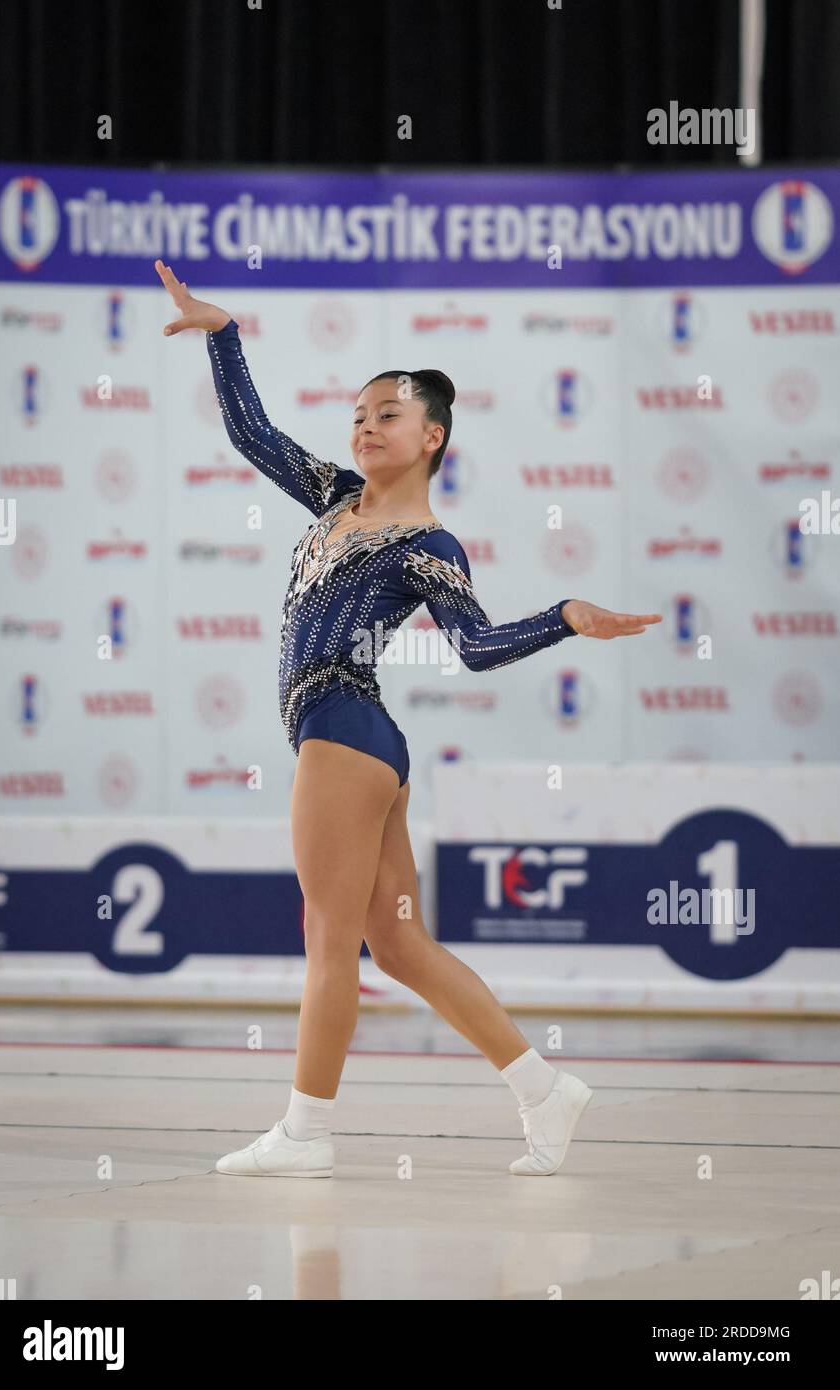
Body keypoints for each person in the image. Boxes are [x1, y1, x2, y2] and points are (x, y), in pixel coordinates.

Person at [155, 259, 661, 1178]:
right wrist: (222, 336)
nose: (364, 426)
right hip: (366, 743)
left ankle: (305, 1134)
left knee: (328, 937)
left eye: (386, 414)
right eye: (357, 414)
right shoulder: (332, 499)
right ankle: (543, 1090)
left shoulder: (428, 545)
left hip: (342, 731)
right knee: (395, 941)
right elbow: (253, 432)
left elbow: (471, 646)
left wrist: (562, 617)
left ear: (431, 436)